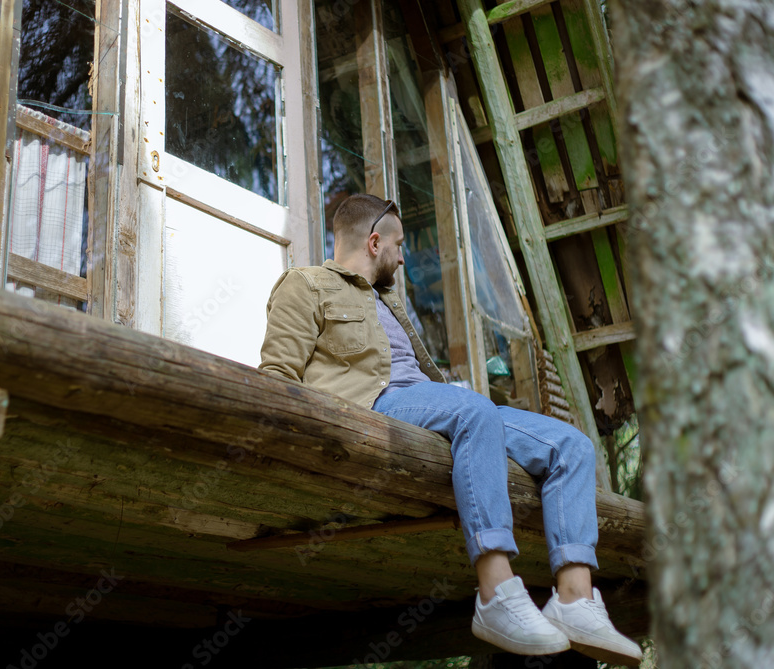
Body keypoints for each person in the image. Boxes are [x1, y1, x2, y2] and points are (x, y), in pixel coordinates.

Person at [259, 193, 642, 666]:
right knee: (472, 408)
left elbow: (431, 386)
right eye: (398, 245)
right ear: (375, 241)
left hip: (438, 405)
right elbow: (277, 376)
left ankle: (575, 600)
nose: (403, 255)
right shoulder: (306, 284)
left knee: (572, 447)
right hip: (374, 406)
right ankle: (496, 591)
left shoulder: (389, 302)